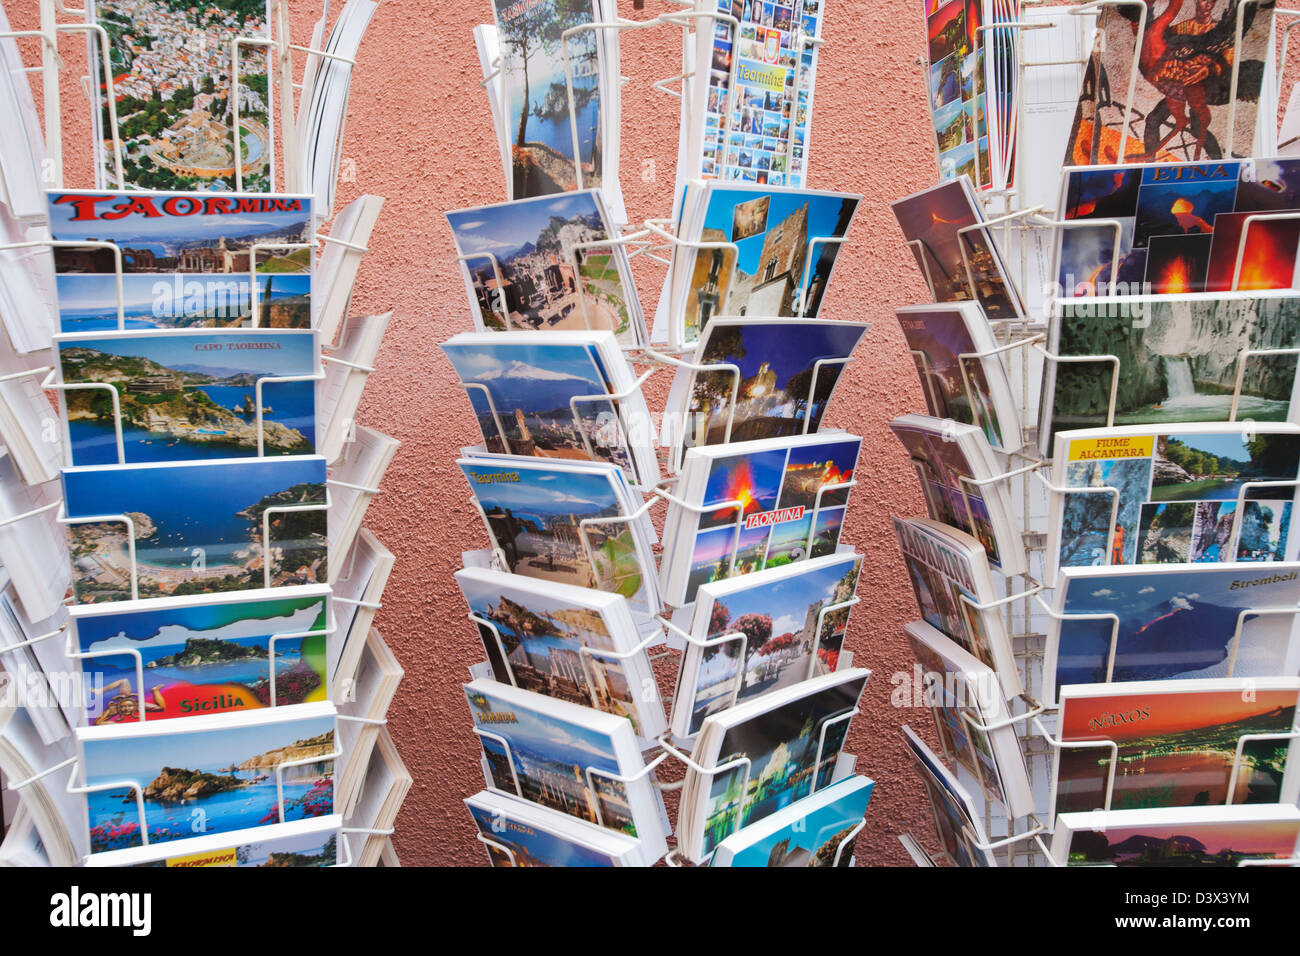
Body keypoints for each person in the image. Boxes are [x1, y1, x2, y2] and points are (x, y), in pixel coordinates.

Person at [92, 680, 166, 725]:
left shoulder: (137, 705)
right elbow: (97, 723)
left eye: (129, 706)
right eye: (123, 707)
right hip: (120, 704)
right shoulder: (113, 708)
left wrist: (156, 691)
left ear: (134, 705)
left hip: (131, 701)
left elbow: (162, 707)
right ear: (119, 706)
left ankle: (154, 690)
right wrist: (114, 725)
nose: (127, 709)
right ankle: (100, 691)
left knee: (124, 681)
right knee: (124, 681)